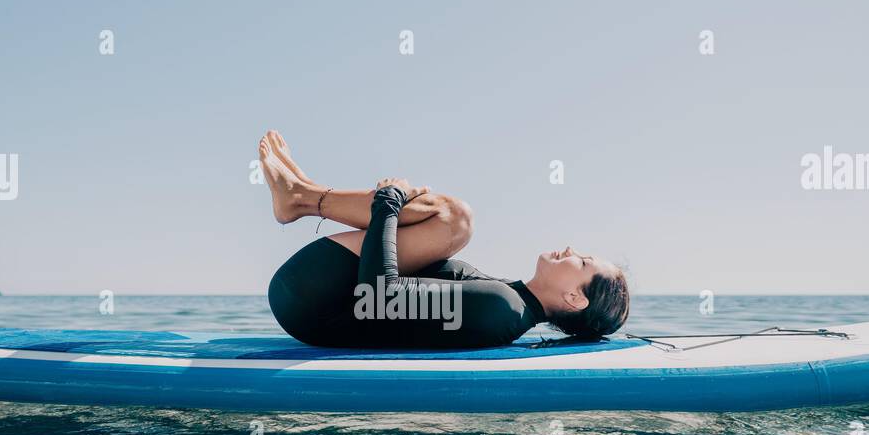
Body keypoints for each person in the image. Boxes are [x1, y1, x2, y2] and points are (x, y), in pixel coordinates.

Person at [260, 131, 629, 349]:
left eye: (582, 262)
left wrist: (388, 201)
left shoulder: (502, 307)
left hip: (311, 297)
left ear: (575, 298)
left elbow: (379, 297)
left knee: (457, 220)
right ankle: (301, 195)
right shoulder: (510, 300)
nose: (571, 251)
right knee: (455, 220)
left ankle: (302, 196)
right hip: (311, 297)